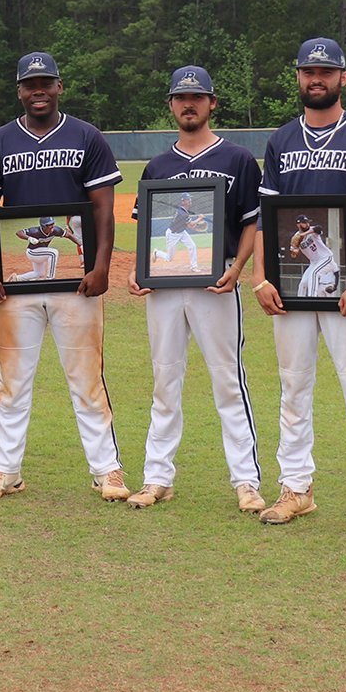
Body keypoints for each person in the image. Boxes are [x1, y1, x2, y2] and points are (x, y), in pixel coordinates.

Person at [250, 38, 346, 534]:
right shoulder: (282, 140)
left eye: (326, 71)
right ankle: (296, 487)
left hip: (345, 287)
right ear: (297, 76)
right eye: (309, 71)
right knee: (293, 388)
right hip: (290, 291)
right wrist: (260, 276)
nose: (317, 78)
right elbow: (267, 218)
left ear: (343, 78)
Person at [0, 52, 128, 503]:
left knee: (86, 378)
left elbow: (101, 206)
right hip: (16, 284)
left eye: (46, 83)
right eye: (29, 84)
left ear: (60, 86)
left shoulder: (86, 136)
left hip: (78, 281)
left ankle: (107, 470)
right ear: (19, 91)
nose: (38, 90)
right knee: (13, 379)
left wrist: (101, 264)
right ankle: (5, 470)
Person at [126, 66, 265, 512]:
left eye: (198, 97)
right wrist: (137, 269)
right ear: (170, 105)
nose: (189, 104)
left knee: (228, 381)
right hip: (165, 289)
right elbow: (147, 227)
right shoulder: (158, 166)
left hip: (216, 283)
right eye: (181, 97)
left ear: (212, 104)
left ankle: (246, 480)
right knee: (165, 380)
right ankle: (156, 477)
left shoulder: (237, 159)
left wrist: (238, 267)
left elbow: (251, 223)